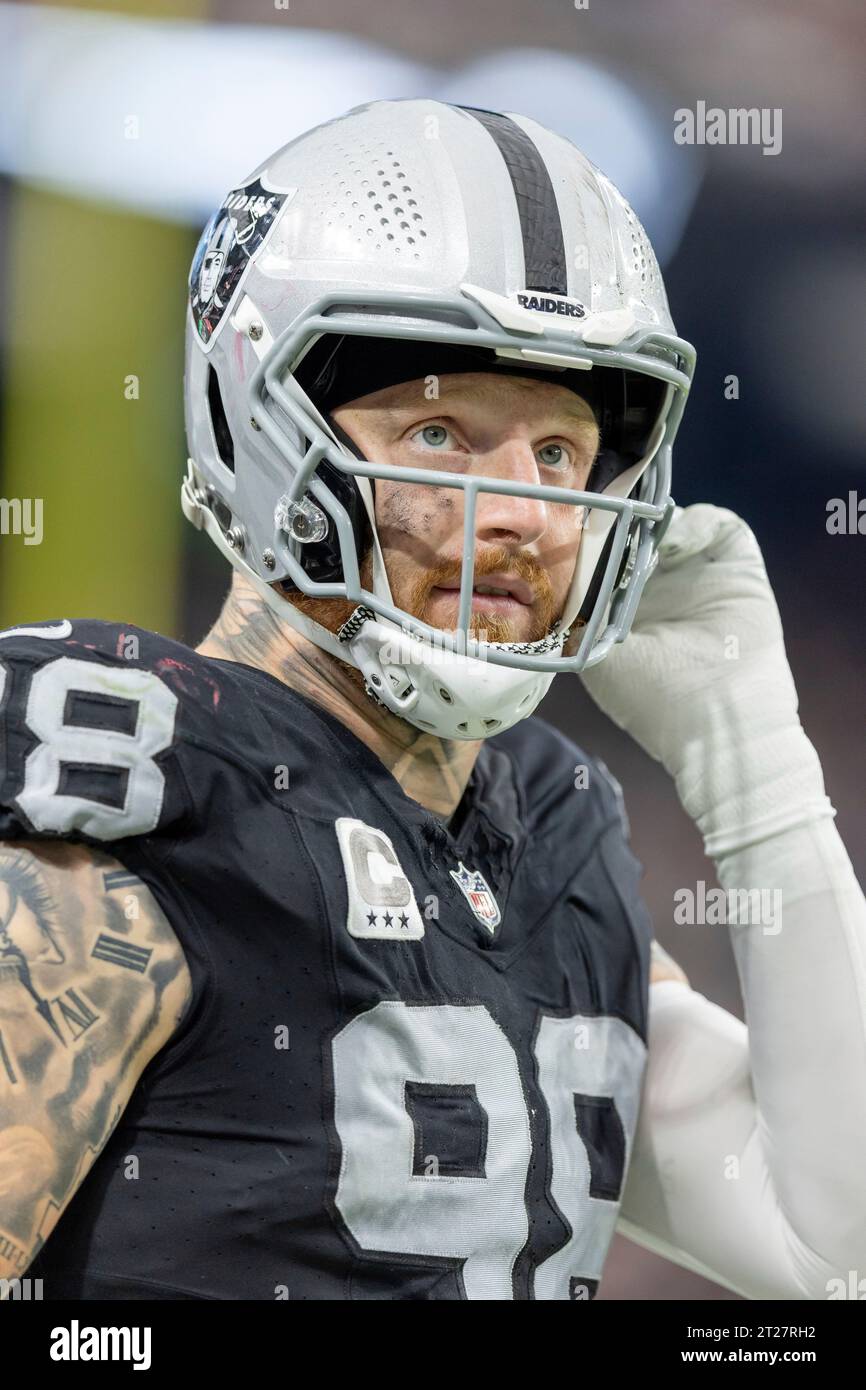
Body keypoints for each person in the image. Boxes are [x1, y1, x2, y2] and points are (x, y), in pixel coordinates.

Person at [0, 98, 863, 1301]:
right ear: (256, 421)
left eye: (557, 453)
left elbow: (834, 1245)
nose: (520, 511)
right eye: (442, 431)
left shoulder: (548, 844)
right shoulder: (122, 782)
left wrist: (754, 762)